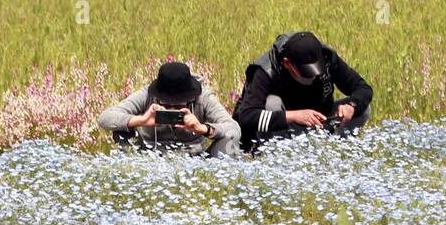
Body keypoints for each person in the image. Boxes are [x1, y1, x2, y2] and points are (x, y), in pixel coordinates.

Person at [233, 31, 373, 152]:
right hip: (283, 126)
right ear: (287, 63)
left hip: (319, 122)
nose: (313, 76)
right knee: (272, 103)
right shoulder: (266, 70)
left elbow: (363, 88)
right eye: (306, 72)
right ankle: (276, 156)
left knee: (362, 107)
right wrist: (293, 116)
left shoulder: (327, 57)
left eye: (316, 69)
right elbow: (246, 116)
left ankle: (332, 153)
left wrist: (351, 106)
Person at [99, 61, 240, 156]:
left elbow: (234, 129)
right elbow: (105, 117)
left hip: (196, 158)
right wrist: (141, 120)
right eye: (166, 106)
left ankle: (215, 182)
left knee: (230, 141)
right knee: (121, 131)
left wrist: (202, 128)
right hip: (148, 157)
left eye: (178, 106)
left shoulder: (203, 98)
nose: (172, 109)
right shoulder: (147, 95)